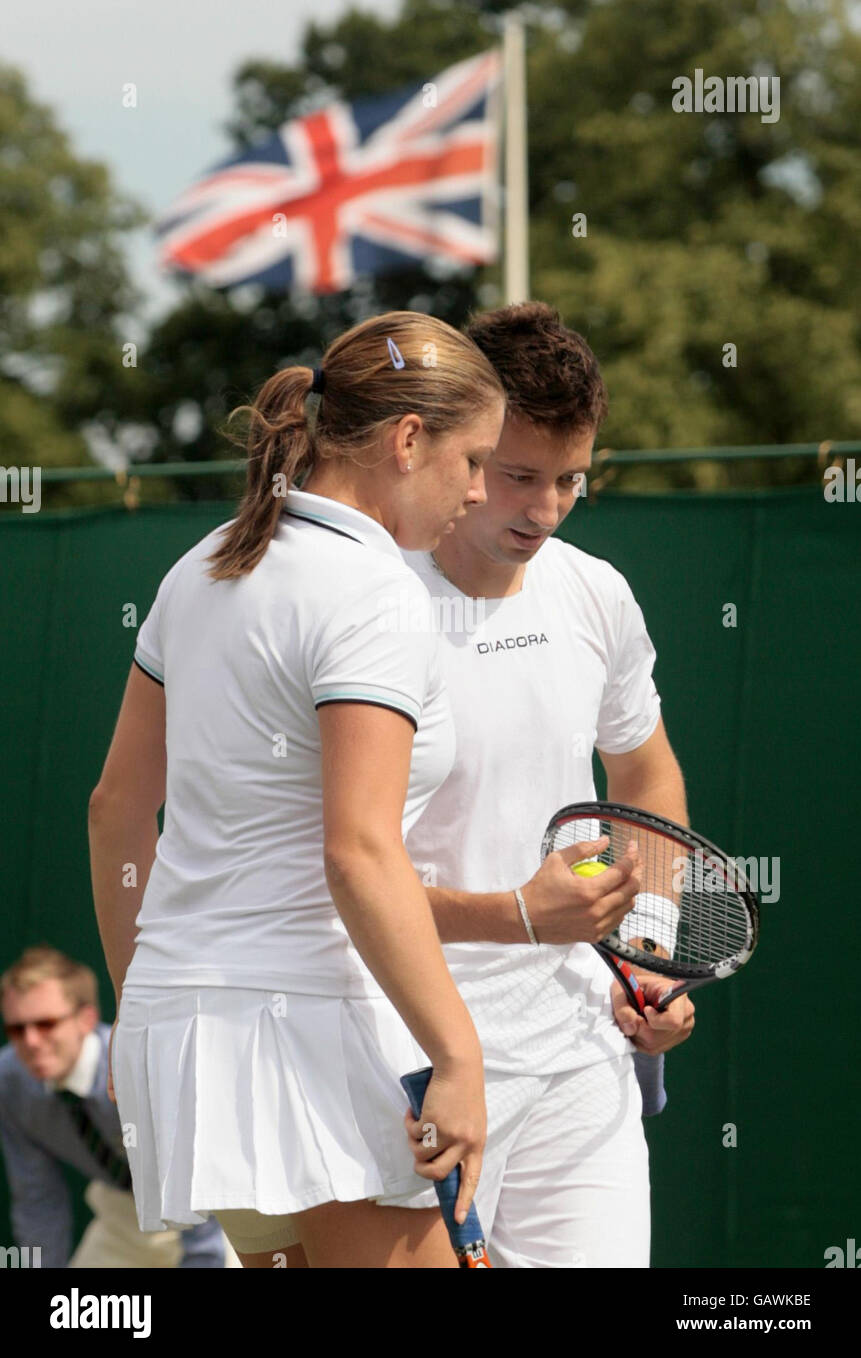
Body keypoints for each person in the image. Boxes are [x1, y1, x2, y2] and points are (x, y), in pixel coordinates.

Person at [88, 311, 507, 1269]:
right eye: (473, 459)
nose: (480, 490)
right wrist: (458, 1056)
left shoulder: (192, 569)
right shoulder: (376, 593)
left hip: (181, 1036)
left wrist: (141, 997)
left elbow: (115, 808)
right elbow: (358, 849)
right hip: (309, 1038)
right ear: (408, 441)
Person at [398, 302, 696, 1267]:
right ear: (460, 445)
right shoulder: (368, 604)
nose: (544, 508)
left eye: (571, 479)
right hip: (405, 1053)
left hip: (579, 1055)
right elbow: (339, 871)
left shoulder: (594, 592)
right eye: (519, 476)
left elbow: (643, 767)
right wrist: (519, 914)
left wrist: (647, 950)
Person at [0, 946, 236, 1267]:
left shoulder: (140, 1067)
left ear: (86, 1019)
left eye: (46, 1024)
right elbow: (37, 1201)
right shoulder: (11, 1082)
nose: (31, 1041)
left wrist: (203, 1259)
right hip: (122, 1214)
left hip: (217, 1211)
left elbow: (197, 1177)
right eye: (16, 1029)